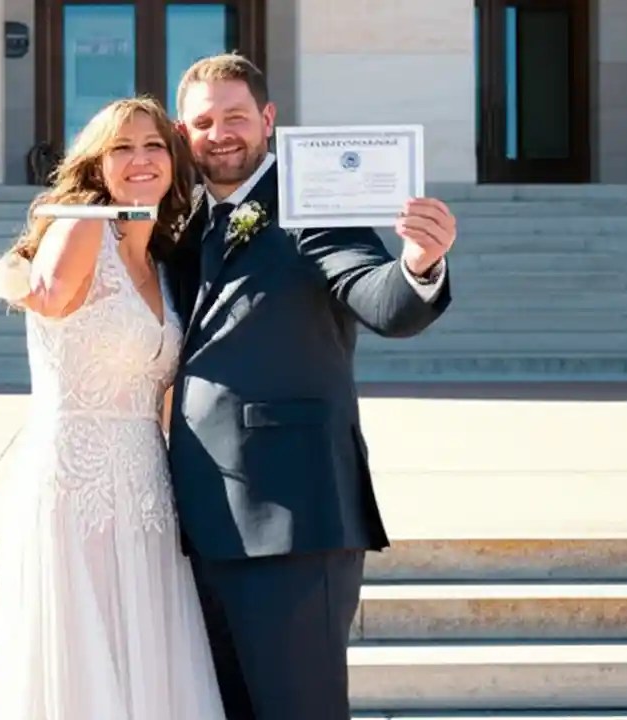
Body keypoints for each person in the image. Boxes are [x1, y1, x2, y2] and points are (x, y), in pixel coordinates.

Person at [165, 53, 458, 720]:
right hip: (201, 521)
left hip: (292, 515)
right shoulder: (183, 224)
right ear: (185, 135)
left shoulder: (314, 203)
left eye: (235, 116)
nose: (221, 132)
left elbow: (380, 298)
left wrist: (418, 264)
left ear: (268, 119)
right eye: (204, 121)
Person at [0, 96, 227, 720]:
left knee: (147, 644)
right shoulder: (84, 224)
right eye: (122, 147)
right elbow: (53, 297)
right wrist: (9, 273)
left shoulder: (165, 261)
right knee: (83, 647)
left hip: (147, 480)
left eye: (152, 146)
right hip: (75, 476)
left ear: (174, 160)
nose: (140, 159)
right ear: (99, 164)